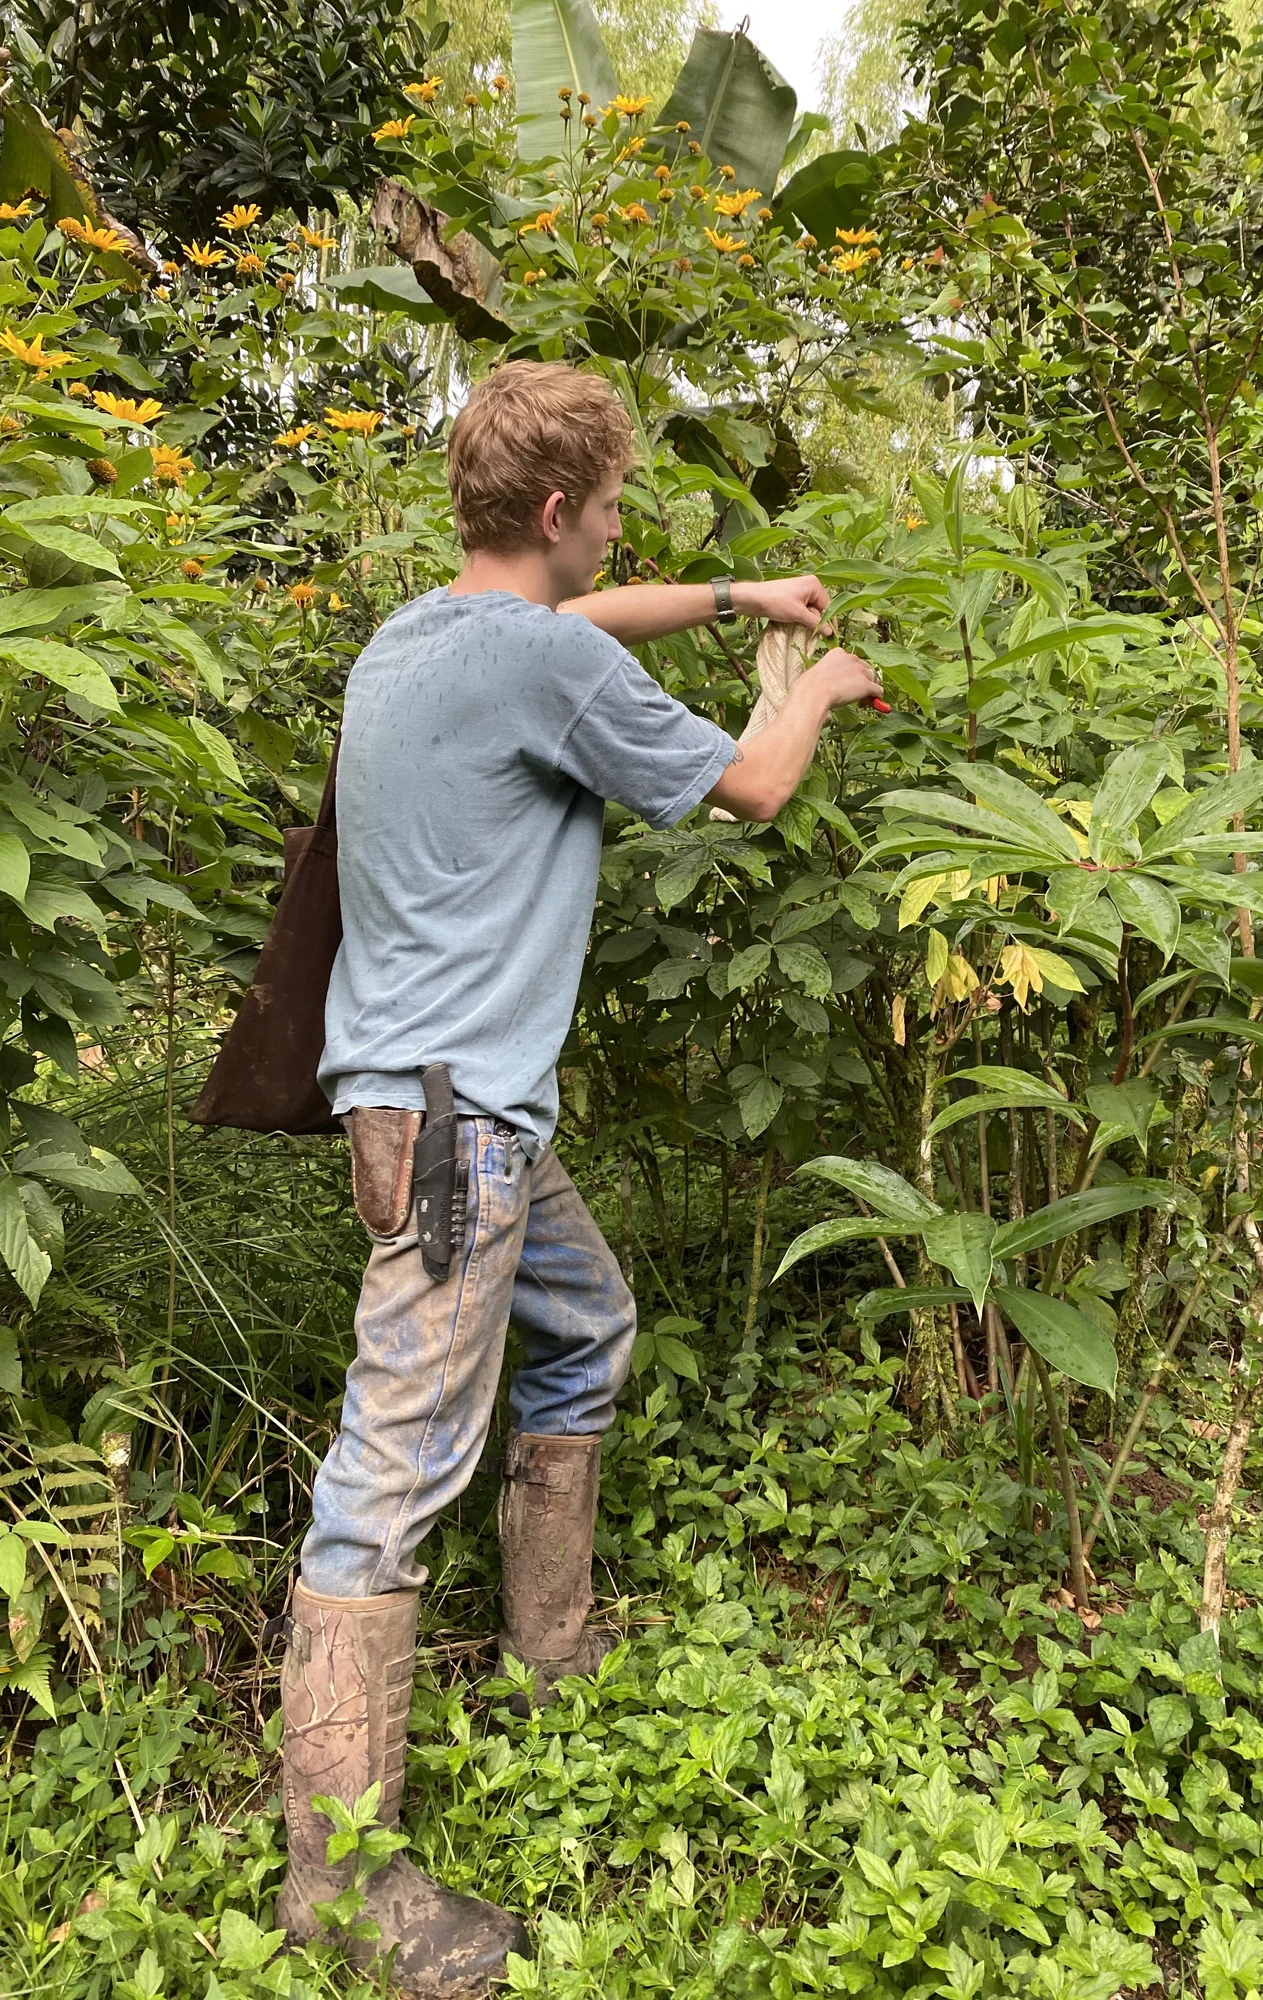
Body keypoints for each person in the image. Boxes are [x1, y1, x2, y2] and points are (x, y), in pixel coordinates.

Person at [274, 360, 882, 1993]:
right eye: (607, 508)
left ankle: (550, 1646)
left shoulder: (419, 638)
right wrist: (809, 685)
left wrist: (742, 590)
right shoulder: (536, 661)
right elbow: (750, 786)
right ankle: (336, 1891)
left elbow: (585, 622)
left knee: (590, 1326)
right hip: (465, 1123)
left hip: (436, 1112)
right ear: (557, 512)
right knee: (388, 1472)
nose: (618, 537)